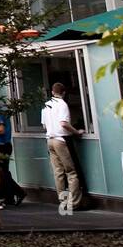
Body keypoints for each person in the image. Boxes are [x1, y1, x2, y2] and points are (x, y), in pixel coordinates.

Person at [42, 82, 84, 210]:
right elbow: (64, 123)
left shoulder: (46, 105)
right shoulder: (63, 105)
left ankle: (63, 201)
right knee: (71, 172)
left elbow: (44, 126)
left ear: (52, 92)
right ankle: (74, 203)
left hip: (50, 140)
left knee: (58, 172)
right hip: (61, 140)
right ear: (64, 93)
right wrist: (77, 132)